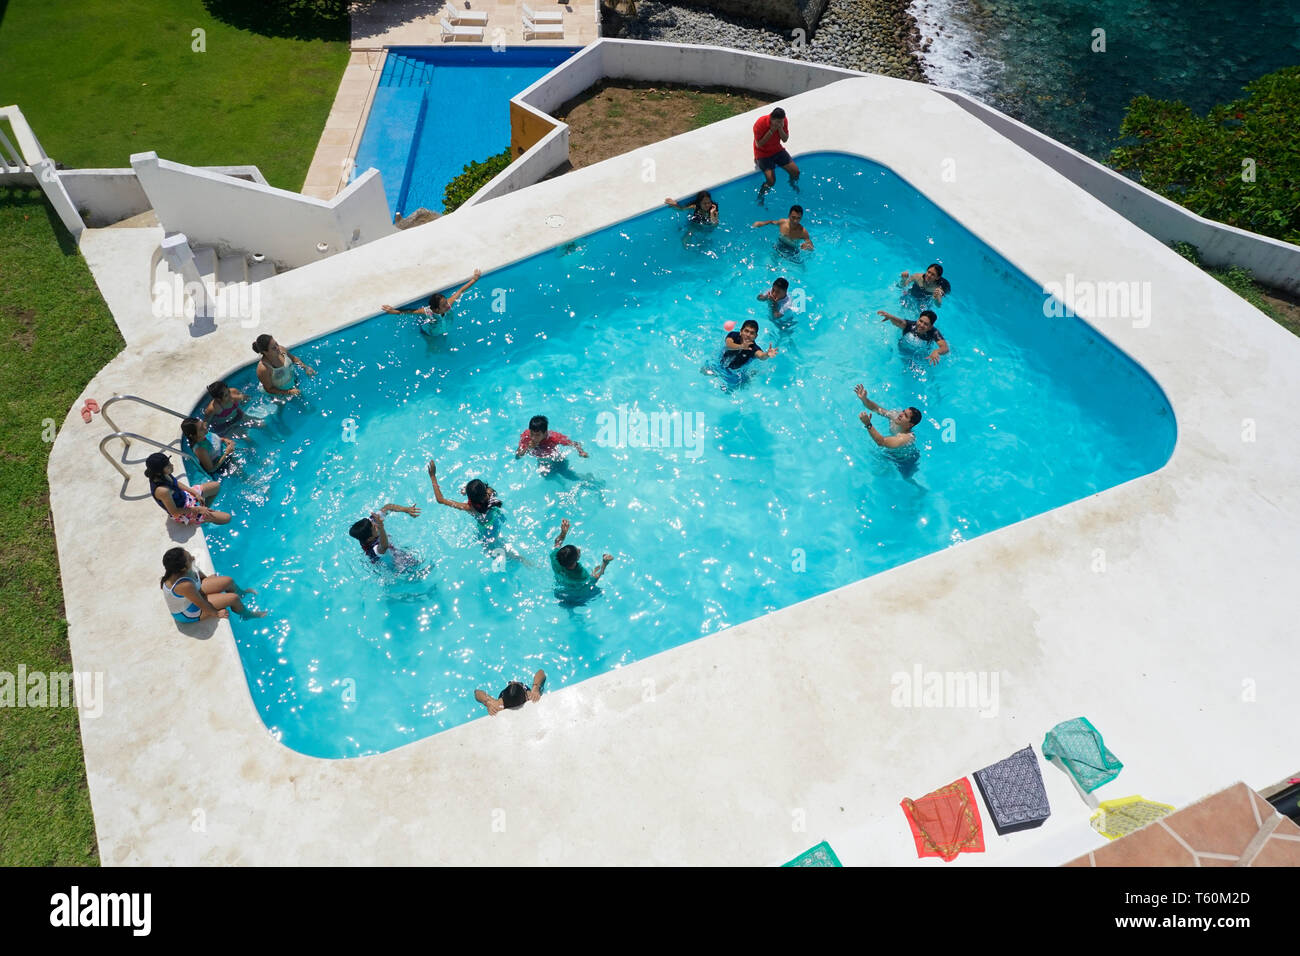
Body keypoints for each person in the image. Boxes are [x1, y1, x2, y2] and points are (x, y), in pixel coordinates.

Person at [160, 547, 265, 622]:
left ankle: (242, 593)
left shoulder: (181, 569)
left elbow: (200, 576)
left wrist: (209, 581)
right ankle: (248, 615)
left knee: (228, 581)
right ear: (183, 568)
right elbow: (200, 603)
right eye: (189, 558)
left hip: (193, 594)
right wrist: (215, 613)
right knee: (233, 598)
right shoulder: (184, 585)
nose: (193, 557)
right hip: (189, 611)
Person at [380, 269, 483, 334]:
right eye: (444, 305)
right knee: (431, 343)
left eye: (446, 302)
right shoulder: (426, 312)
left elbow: (460, 291)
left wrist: (474, 279)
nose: (448, 305)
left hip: (443, 328)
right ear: (437, 309)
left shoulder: (449, 304)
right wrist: (393, 311)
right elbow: (409, 312)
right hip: (430, 332)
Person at [144, 452, 231, 526]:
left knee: (215, 486)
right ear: (159, 472)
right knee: (227, 518)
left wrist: (194, 493)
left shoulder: (163, 474)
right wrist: (197, 509)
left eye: (169, 463)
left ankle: (205, 509)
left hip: (185, 497)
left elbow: (175, 483)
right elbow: (174, 512)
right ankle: (206, 518)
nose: (172, 465)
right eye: (168, 466)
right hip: (183, 513)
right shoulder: (162, 491)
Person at [551, 518, 613, 594]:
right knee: (598, 592)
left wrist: (563, 533)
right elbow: (595, 578)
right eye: (578, 552)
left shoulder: (554, 557)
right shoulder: (581, 574)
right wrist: (605, 563)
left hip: (560, 588)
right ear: (577, 558)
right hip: (577, 594)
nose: (579, 549)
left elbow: (557, 542)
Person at [853, 384, 921, 449]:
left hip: (901, 459)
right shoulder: (895, 416)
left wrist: (868, 424)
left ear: (910, 425)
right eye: (903, 411)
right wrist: (864, 399)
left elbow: (881, 442)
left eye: (905, 416)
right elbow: (877, 409)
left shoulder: (905, 438)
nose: (901, 414)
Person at [348, 503, 421, 562]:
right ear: (370, 538)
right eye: (375, 528)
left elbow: (388, 507)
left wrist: (406, 509)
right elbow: (384, 547)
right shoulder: (372, 549)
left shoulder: (370, 524)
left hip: (393, 550)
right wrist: (381, 527)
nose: (376, 524)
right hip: (390, 563)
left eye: (374, 523)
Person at [753, 107, 799, 198]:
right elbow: (759, 145)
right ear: (771, 119)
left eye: (782, 121)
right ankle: (761, 196)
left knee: (796, 172)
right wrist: (771, 130)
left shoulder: (783, 121)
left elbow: (785, 139)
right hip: (763, 153)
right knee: (771, 181)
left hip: (777, 150)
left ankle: (792, 184)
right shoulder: (760, 123)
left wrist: (780, 128)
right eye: (778, 122)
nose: (781, 123)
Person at [878, 309, 949, 365]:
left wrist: (937, 351)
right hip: (901, 350)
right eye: (920, 321)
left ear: (930, 327)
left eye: (925, 324)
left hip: (920, 354)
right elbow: (900, 322)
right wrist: (890, 317)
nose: (921, 325)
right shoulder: (910, 325)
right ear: (918, 319)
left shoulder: (933, 332)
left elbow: (945, 348)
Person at [474, 669, 546, 716]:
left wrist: (536, 687)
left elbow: (541, 672)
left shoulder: (530, 695)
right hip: (509, 693)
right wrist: (487, 702)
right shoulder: (499, 704)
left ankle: (517, 685)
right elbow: (476, 692)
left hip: (522, 689)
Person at [515, 415, 588, 461]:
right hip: (541, 459)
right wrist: (528, 448)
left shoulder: (554, 438)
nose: (533, 437)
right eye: (531, 433)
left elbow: (575, 444)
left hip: (555, 459)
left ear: (545, 433)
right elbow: (517, 456)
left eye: (537, 435)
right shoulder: (526, 436)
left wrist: (581, 452)